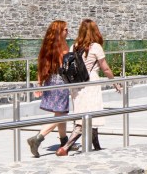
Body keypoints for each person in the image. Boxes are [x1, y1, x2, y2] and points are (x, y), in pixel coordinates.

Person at [58, 18, 123, 155]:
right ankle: (65, 148)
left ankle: (97, 148)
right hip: (91, 84)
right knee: (84, 120)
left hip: (77, 85)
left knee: (89, 115)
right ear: (95, 31)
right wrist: (115, 83)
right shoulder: (95, 47)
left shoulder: (74, 46)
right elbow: (105, 68)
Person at [27, 20, 71, 157]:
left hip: (50, 82)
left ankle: (64, 142)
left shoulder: (48, 46)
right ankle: (38, 138)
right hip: (60, 83)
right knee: (61, 114)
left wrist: (40, 84)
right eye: (65, 29)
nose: (67, 31)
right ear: (59, 32)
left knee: (60, 112)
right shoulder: (63, 48)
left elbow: (42, 66)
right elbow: (66, 68)